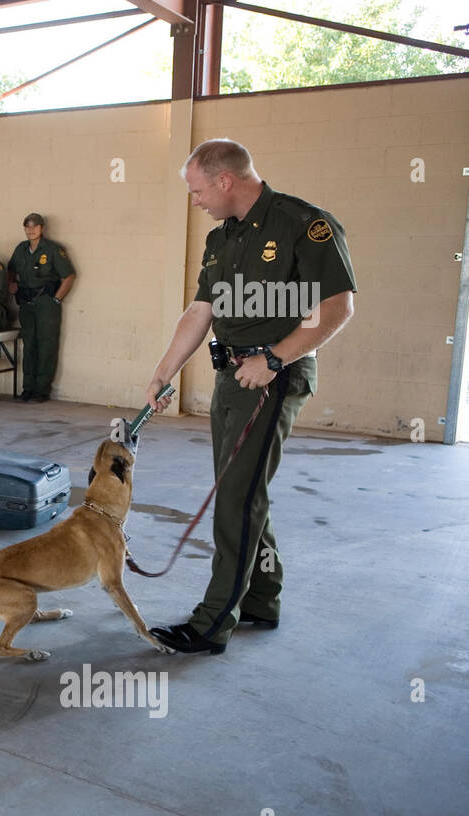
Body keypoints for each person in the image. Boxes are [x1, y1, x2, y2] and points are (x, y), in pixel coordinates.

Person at [144, 138, 356, 656]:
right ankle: (262, 598)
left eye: (196, 190)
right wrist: (162, 373)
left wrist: (275, 359)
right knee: (242, 491)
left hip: (273, 379)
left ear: (224, 181)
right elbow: (200, 312)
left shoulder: (305, 225)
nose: (194, 201)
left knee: (236, 498)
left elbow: (338, 308)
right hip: (233, 378)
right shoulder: (221, 239)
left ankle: (212, 623)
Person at [9, 213, 75, 402]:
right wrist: (11, 284)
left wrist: (57, 299)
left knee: (46, 345)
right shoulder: (21, 249)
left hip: (46, 302)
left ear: (42, 228)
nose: (31, 230)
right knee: (29, 344)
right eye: (27, 227)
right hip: (26, 303)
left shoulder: (53, 250)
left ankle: (42, 390)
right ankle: (28, 387)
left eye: (35, 226)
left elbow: (69, 276)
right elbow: (11, 269)